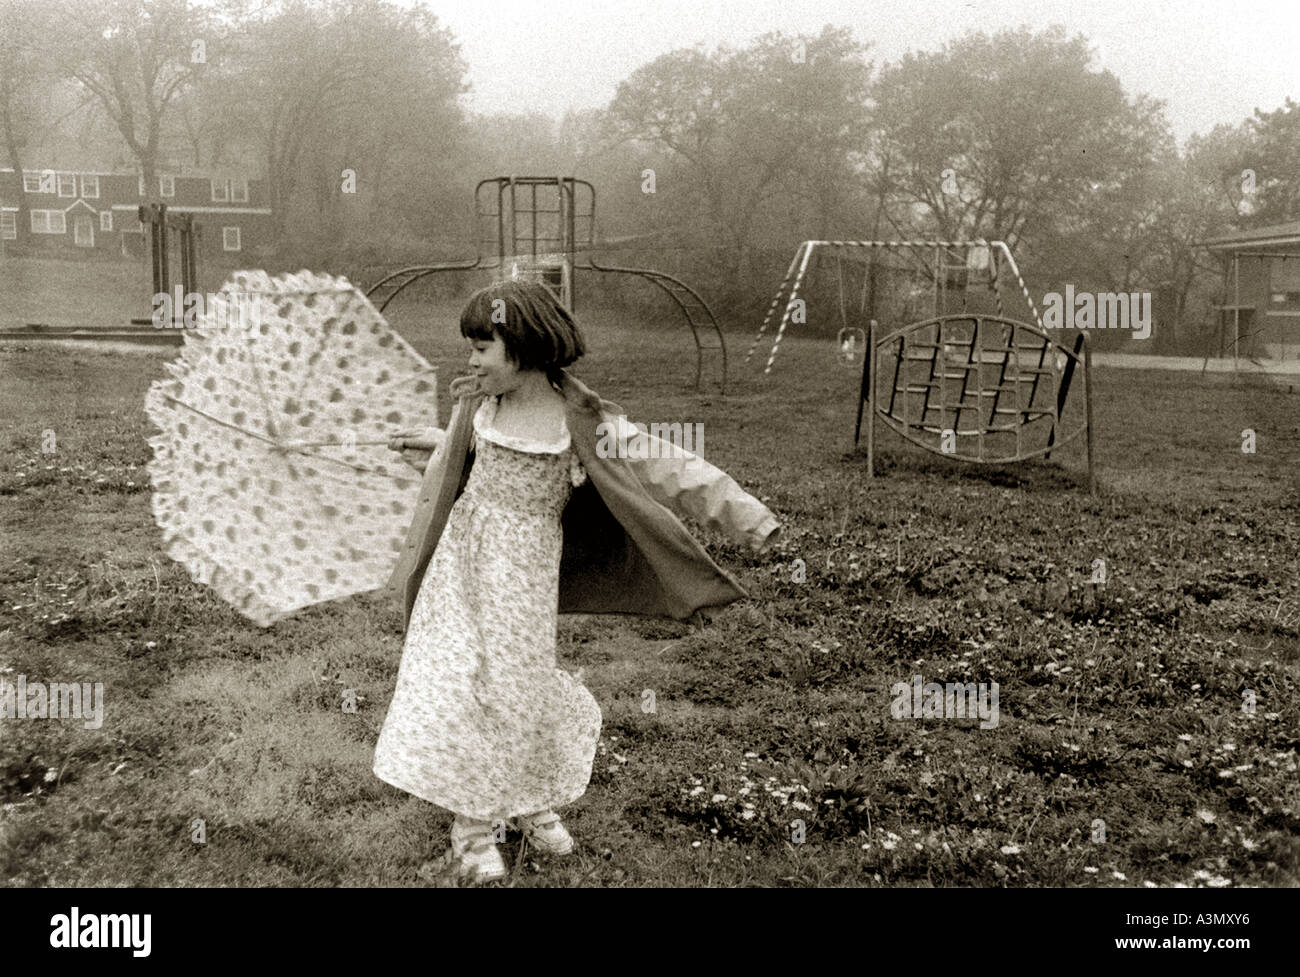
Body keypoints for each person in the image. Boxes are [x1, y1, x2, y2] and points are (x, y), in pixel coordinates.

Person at [373, 279, 780, 884]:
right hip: (460, 566)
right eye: (471, 346)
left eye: (483, 346)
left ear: (528, 346)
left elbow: (667, 463)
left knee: (520, 689)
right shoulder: (483, 402)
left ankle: (530, 802)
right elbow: (472, 459)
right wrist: (439, 444)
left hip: (521, 577)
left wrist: (745, 513)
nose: (470, 358)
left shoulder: (581, 421)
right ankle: (474, 828)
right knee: (459, 682)